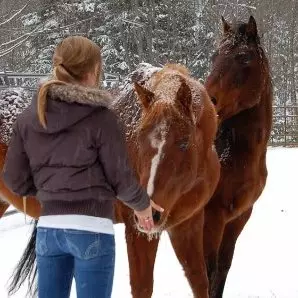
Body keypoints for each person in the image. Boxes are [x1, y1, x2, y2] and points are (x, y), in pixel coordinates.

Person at [2, 36, 163, 298]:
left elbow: (14, 179)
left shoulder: (30, 116)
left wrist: (50, 190)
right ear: (92, 72)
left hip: (49, 231)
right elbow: (120, 179)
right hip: (93, 231)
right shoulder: (103, 118)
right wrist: (144, 206)